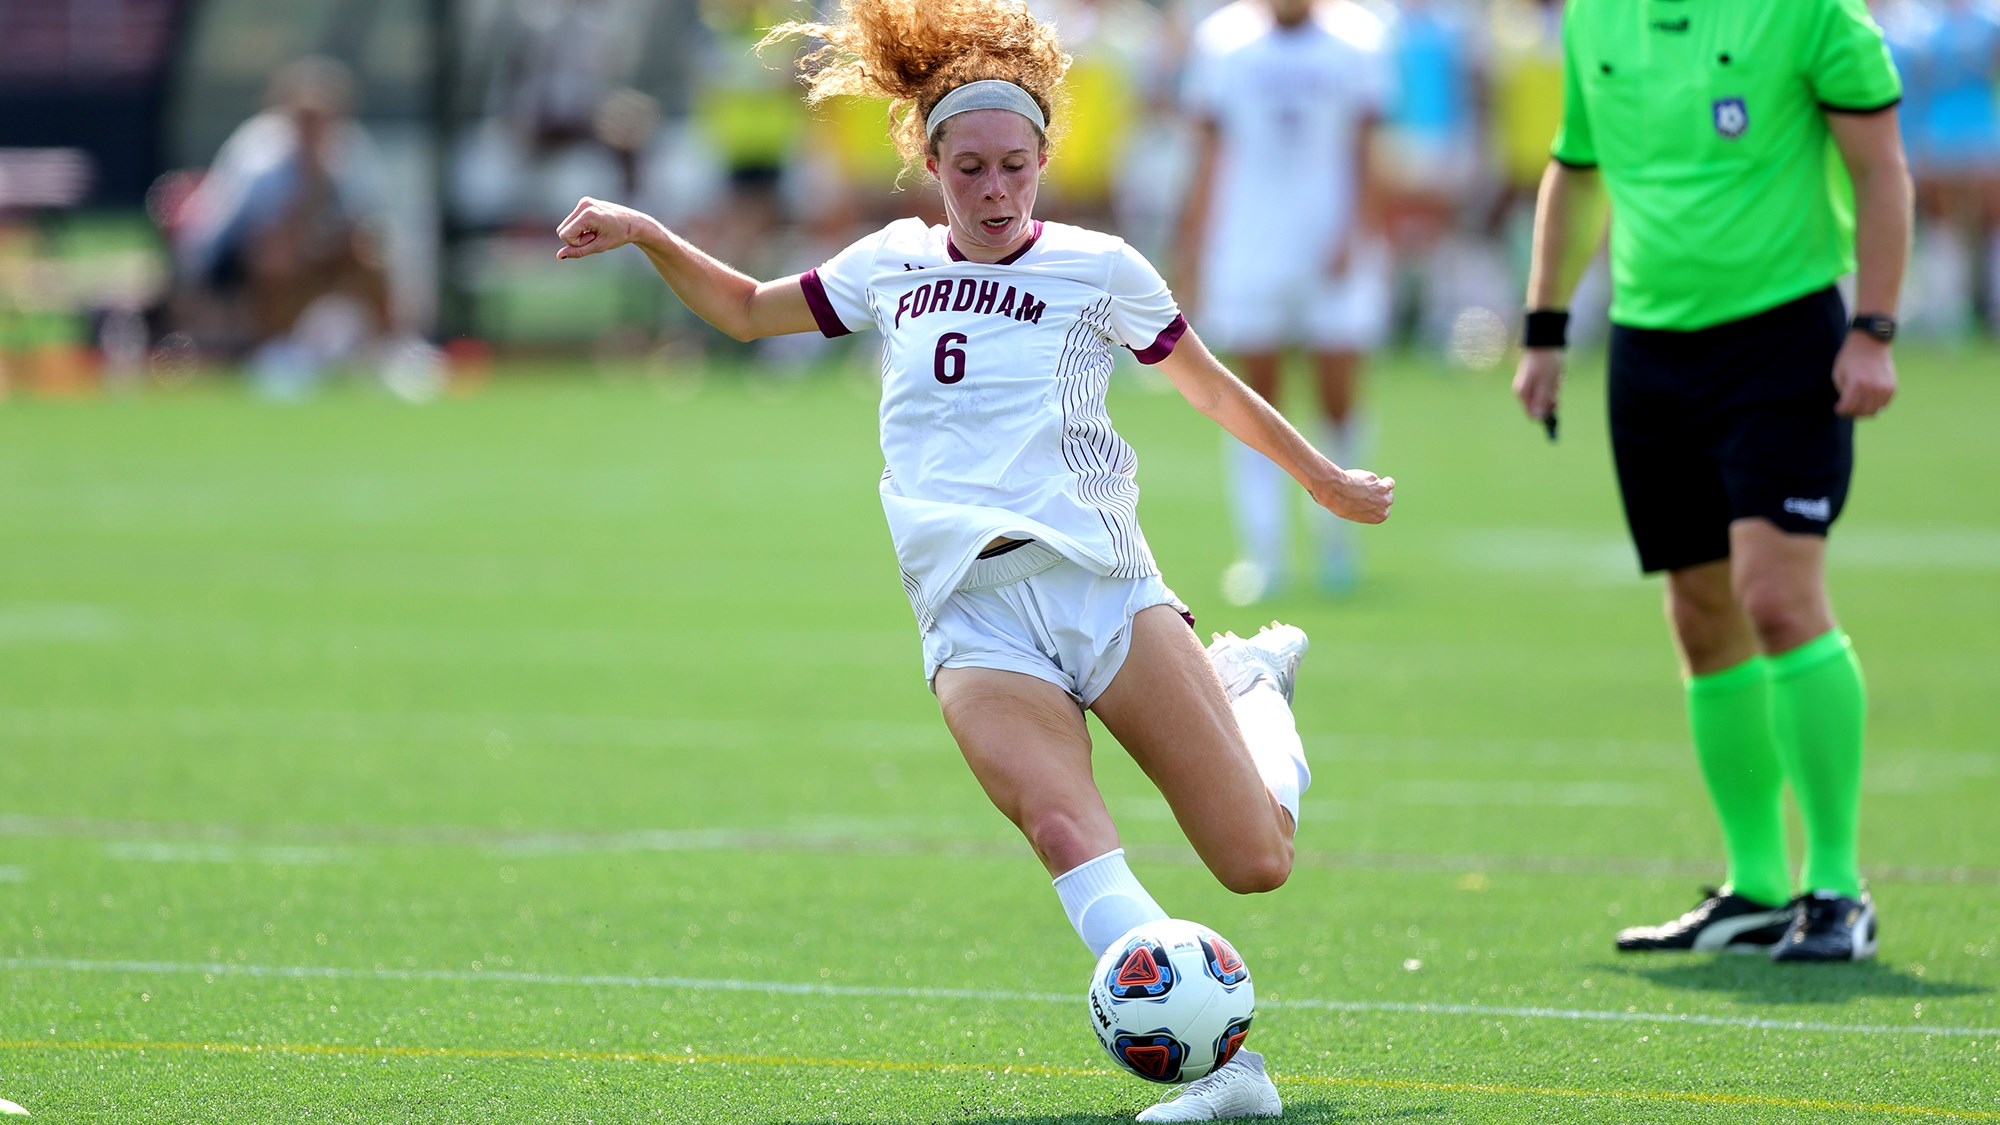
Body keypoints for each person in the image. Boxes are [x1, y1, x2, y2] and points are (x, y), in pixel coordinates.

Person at [554, 0, 1395, 1114]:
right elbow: (753, 312)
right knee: (1063, 831)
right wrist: (650, 232)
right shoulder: (887, 263)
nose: (993, 191)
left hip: (1103, 591)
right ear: (930, 163)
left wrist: (1320, 480)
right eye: (967, 169)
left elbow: (1207, 385)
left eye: (1012, 166)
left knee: (1255, 860)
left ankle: (1250, 689)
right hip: (972, 618)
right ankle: (1225, 1072)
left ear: (1044, 157)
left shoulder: (1100, 268)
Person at [1513, 0, 1909, 961]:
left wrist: (1875, 328)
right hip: (1651, 355)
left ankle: (1838, 889)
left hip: (1784, 343)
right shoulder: (1596, 20)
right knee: (1698, 611)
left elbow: (1879, 170)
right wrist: (1545, 327)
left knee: (1777, 599)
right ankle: (1759, 885)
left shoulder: (1814, 13)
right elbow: (1576, 168)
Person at [1176, 0, 1395, 603]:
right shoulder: (1222, 40)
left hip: (1333, 243)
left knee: (1337, 396)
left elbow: (1368, 148)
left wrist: (1359, 231)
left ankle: (1338, 541)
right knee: (1254, 398)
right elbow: (1210, 153)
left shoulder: (1360, 39)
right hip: (1249, 244)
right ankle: (1263, 552)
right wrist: (1193, 242)